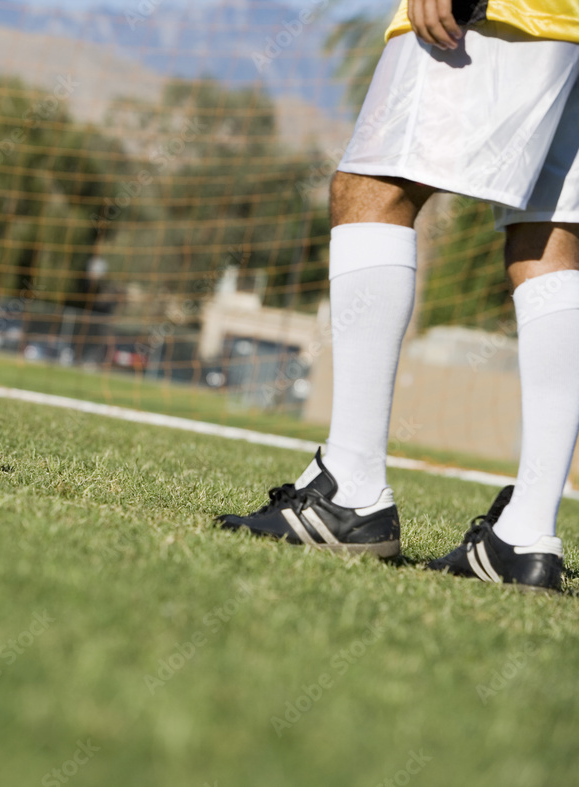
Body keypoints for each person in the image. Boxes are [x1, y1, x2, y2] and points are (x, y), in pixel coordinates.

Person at [218, 0, 579, 591]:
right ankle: (527, 537)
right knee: (548, 240)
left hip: (512, 11)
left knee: (373, 186)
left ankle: (351, 493)